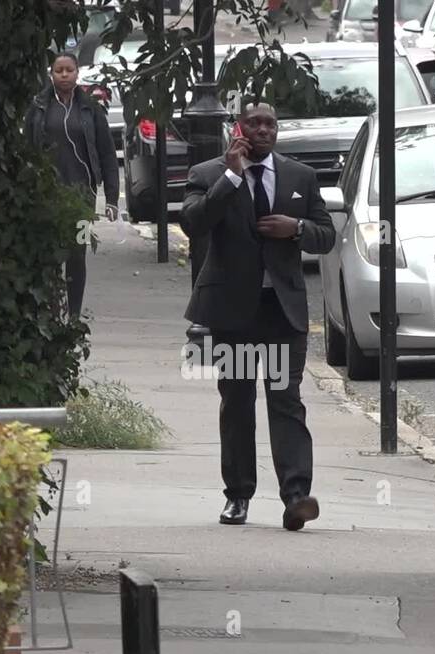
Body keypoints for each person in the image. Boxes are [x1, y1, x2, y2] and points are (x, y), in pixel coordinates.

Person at [180, 102, 337, 531]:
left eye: (270, 124)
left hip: (282, 313)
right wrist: (232, 176)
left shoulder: (300, 177)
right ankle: (238, 496)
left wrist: (297, 228)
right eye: (254, 123)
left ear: (277, 131)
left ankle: (296, 497)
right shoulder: (209, 174)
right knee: (238, 403)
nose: (263, 130)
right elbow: (193, 222)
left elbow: (326, 236)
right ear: (239, 129)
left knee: (286, 401)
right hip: (233, 314)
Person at [24, 51, 119, 319]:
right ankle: (52, 313)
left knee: (77, 255)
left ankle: (74, 316)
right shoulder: (39, 106)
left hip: (82, 198)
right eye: (58, 70)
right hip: (48, 195)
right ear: (51, 74)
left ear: (77, 73)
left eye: (69, 70)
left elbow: (107, 153)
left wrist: (111, 198)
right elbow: (27, 148)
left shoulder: (90, 109)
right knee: (50, 255)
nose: (64, 75)